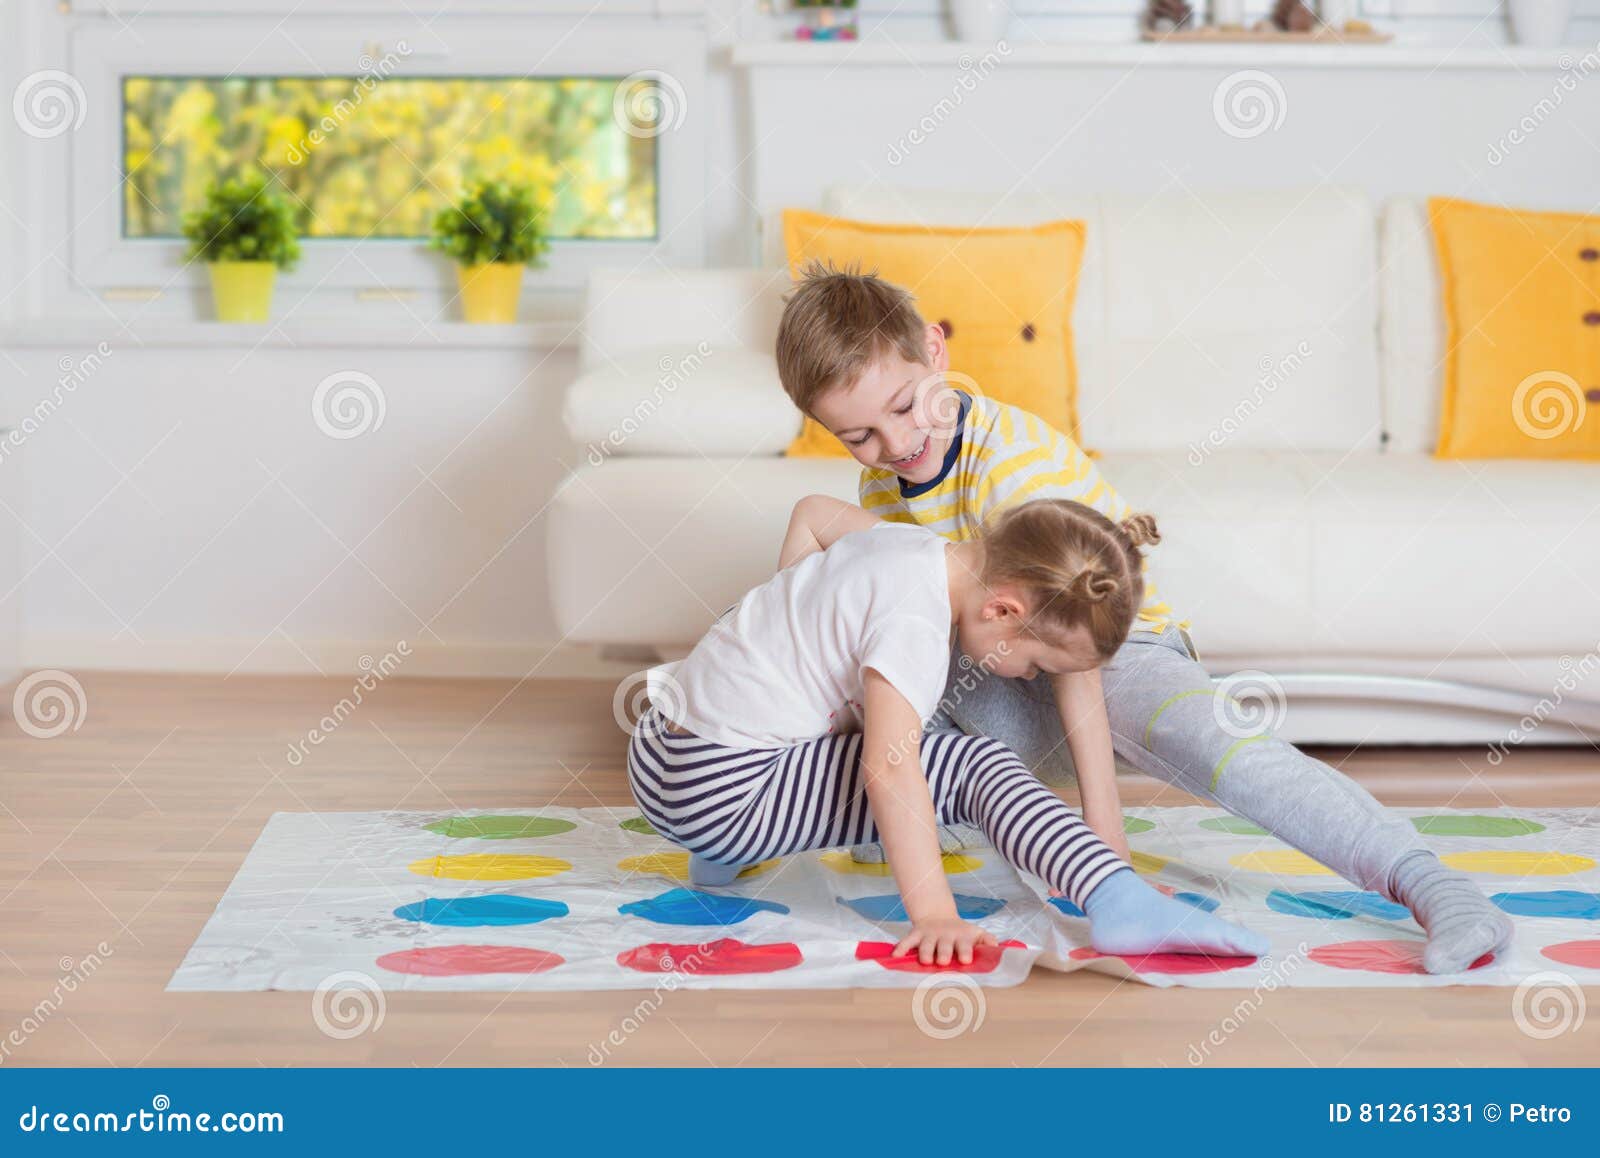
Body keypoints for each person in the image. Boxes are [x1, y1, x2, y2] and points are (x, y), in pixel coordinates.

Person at [771, 261, 1511, 975]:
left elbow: (1078, 660)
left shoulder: (1011, 466)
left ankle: (1430, 883)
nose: (896, 445)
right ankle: (850, 819)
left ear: (935, 351)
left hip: (1105, 652)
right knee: (873, 662)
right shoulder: (882, 486)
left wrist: (1109, 848)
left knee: (1217, 745)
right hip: (1002, 667)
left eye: (904, 407)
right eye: (859, 437)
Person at [627, 494, 1269, 967]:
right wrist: (934, 913)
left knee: (822, 681)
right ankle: (1114, 899)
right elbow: (888, 768)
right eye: (1036, 665)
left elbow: (814, 511)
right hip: (722, 795)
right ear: (1002, 610)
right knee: (971, 764)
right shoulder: (916, 621)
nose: (1026, 678)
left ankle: (720, 854)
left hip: (658, 752)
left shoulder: (903, 546)